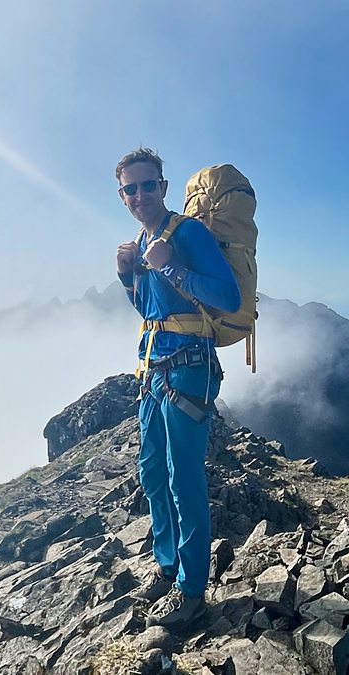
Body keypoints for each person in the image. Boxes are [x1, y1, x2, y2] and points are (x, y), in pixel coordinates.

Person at [114, 148, 241, 627]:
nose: (141, 194)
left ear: (164, 188)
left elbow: (226, 298)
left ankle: (191, 590)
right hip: (153, 370)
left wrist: (169, 266)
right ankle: (167, 566)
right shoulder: (141, 242)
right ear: (122, 196)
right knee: (152, 472)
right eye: (132, 188)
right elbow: (152, 311)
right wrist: (129, 278)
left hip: (189, 368)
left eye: (149, 185)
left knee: (182, 476)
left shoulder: (188, 233)